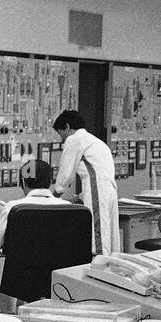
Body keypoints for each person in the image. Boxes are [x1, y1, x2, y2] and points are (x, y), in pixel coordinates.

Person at [53, 109, 121, 255]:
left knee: (98, 235)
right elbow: (94, 171)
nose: (62, 139)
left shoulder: (74, 139)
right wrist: (82, 196)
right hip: (109, 189)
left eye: (60, 133)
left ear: (67, 127)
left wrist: (53, 196)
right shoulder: (93, 140)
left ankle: (99, 266)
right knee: (107, 230)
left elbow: (65, 174)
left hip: (98, 189)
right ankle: (109, 263)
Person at [0, 158, 72, 248]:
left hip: (21, 263)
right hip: (61, 263)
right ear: (50, 181)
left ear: (23, 182)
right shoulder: (68, 207)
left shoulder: (15, 208)